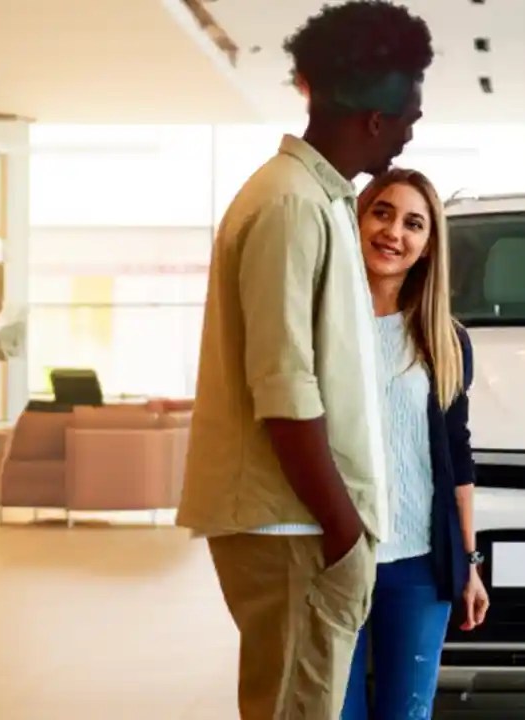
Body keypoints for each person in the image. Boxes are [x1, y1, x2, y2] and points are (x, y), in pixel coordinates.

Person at [175, 3, 434, 718]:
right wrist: (343, 529)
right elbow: (284, 388)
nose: (414, 129)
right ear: (376, 119)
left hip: (304, 523)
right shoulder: (290, 206)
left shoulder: (315, 201)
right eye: (410, 113)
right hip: (296, 526)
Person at [340, 168, 489, 720]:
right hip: (333, 556)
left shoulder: (443, 339)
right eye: (381, 212)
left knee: (405, 714)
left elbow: (457, 456)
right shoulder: (318, 324)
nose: (394, 232)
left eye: (413, 223)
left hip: (419, 564)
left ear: (428, 246)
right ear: (355, 221)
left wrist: (469, 563)